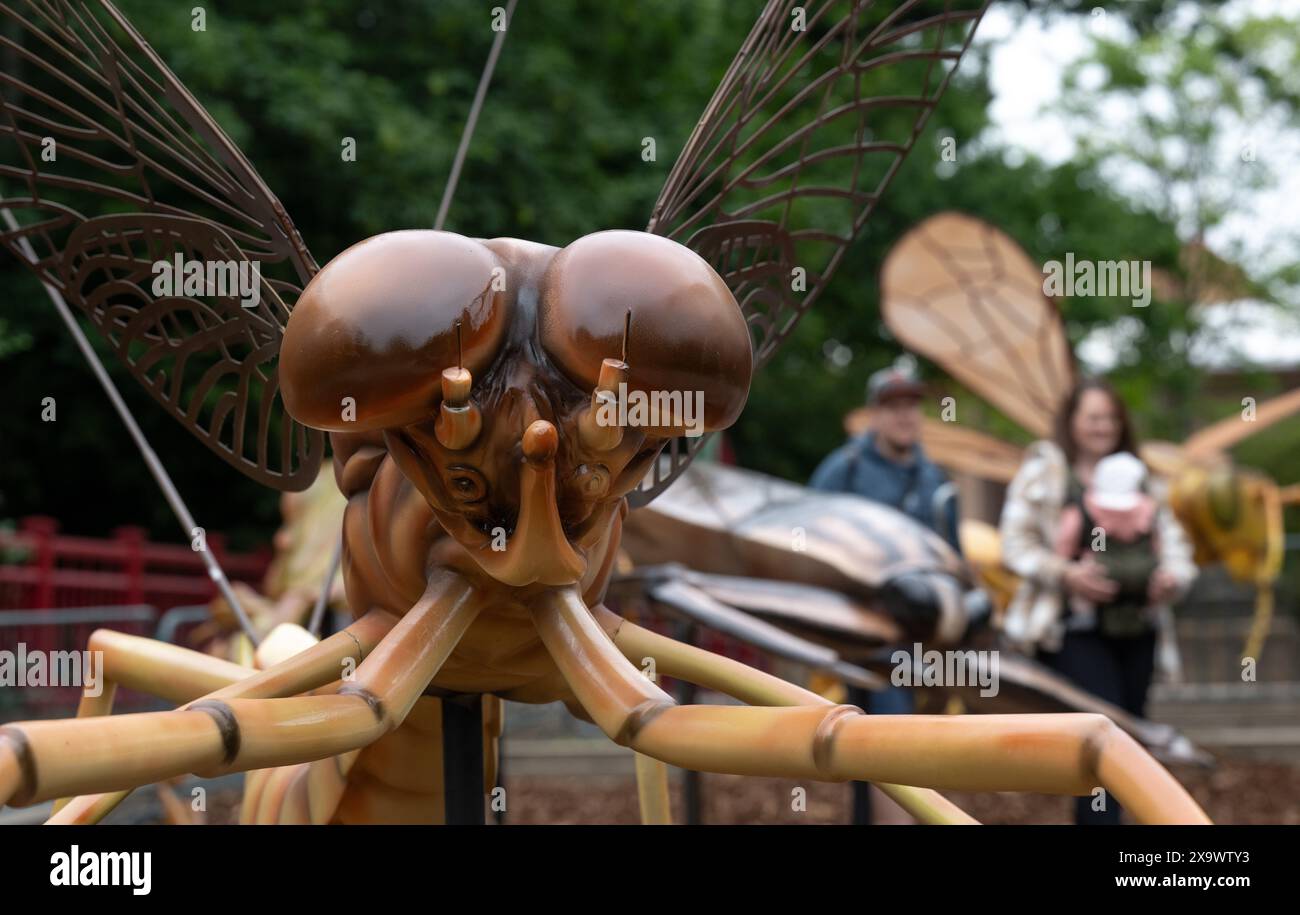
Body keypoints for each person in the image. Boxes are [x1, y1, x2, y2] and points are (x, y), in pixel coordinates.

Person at [999, 377, 1197, 825]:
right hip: (1074, 631)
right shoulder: (1046, 473)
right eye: (1092, 417)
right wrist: (1066, 574)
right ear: (1072, 422)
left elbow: (1176, 546)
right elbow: (1014, 545)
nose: (1102, 426)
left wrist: (1170, 579)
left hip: (1137, 628)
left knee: (1131, 740)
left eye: (1110, 417)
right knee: (1101, 735)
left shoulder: (1141, 476)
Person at [809, 358, 961, 824]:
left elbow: (953, 559)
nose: (904, 415)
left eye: (912, 405)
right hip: (864, 634)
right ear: (874, 413)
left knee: (903, 748)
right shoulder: (845, 469)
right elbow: (808, 537)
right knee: (886, 741)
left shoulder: (935, 479)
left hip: (926, 639)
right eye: (893, 405)